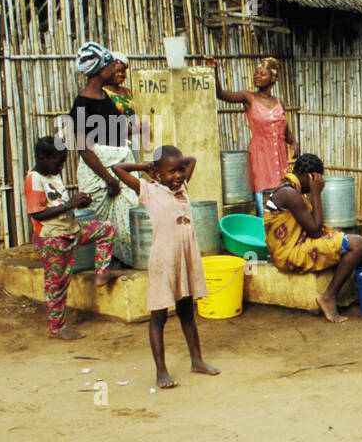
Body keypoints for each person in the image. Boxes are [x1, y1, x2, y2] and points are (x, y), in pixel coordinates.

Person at [111, 147, 218, 389]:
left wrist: (174, 166)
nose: (179, 174)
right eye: (172, 171)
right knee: (158, 316)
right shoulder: (149, 191)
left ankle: (197, 361)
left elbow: (192, 159)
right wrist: (146, 167)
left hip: (185, 260)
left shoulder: (182, 188)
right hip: (164, 262)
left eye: (181, 170)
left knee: (187, 313)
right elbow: (117, 169)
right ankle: (161, 371)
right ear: (157, 173)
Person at [25, 136, 118, 340]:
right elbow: (37, 214)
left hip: (71, 231)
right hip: (53, 240)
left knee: (106, 229)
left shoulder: (53, 175)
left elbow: (59, 204)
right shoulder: (34, 179)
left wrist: (79, 203)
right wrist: (70, 204)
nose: (61, 167)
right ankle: (57, 328)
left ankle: (102, 273)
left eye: (62, 162)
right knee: (56, 285)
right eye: (57, 162)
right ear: (42, 158)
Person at [263, 153, 362, 323]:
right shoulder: (289, 193)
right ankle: (328, 296)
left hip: (297, 245)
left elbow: (313, 225)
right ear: (310, 176)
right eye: (318, 179)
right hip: (290, 254)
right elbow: (315, 230)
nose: (320, 183)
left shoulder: (291, 189)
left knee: (360, 244)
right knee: (357, 244)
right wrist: (316, 194)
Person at [70, 42, 140, 267]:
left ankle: (123, 259)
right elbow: (85, 149)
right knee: (103, 224)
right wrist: (110, 179)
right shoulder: (81, 104)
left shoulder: (104, 98)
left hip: (118, 168)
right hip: (100, 175)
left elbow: (116, 129)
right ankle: (107, 266)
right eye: (110, 63)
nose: (114, 67)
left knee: (128, 220)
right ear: (100, 70)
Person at [207, 55, 296, 217]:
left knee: (283, 195)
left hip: (280, 157)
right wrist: (214, 70)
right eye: (256, 73)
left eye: (262, 74)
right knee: (263, 197)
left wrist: (293, 143)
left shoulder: (278, 101)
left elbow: (285, 129)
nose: (257, 76)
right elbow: (221, 94)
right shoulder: (248, 98)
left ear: (272, 78)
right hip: (260, 156)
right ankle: (264, 234)